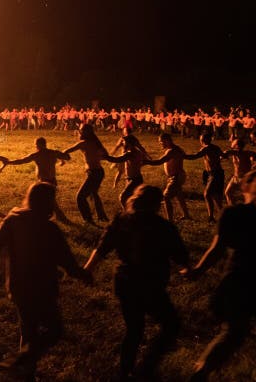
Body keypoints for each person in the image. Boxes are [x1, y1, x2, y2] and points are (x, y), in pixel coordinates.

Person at [0, 183, 92, 377]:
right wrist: (83, 274)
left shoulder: (13, 220)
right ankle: (21, 359)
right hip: (43, 289)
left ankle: (25, 371)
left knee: (28, 329)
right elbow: (67, 262)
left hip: (18, 287)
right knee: (54, 330)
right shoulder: (49, 228)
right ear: (48, 202)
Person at [84, 185, 189, 379]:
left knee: (134, 329)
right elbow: (181, 256)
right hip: (150, 284)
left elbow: (102, 247)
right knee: (171, 325)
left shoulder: (121, 220)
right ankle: (146, 367)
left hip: (124, 282)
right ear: (157, 204)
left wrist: (87, 270)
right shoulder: (163, 227)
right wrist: (188, 269)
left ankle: (125, 372)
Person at [184, 169, 256, 380]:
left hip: (238, 278)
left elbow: (217, 249)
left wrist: (197, 270)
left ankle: (203, 370)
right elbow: (217, 248)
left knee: (233, 333)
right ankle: (203, 370)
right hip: (243, 280)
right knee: (234, 332)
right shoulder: (234, 214)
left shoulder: (233, 214)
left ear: (243, 186)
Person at [1, 137, 71, 222]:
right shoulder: (53, 152)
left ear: (38, 145)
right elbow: (67, 157)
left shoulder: (37, 155)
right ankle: (54, 217)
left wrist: (9, 162)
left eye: (36, 145)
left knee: (48, 201)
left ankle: (61, 218)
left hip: (43, 181)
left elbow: (22, 161)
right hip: (52, 180)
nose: (35, 146)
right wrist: (61, 156)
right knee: (48, 201)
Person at [63, 124, 110, 224]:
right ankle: (102, 217)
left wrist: (64, 158)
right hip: (99, 171)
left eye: (80, 130)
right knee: (93, 193)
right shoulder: (96, 142)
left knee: (80, 197)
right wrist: (95, 157)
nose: (79, 131)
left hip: (94, 173)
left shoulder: (83, 143)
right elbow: (106, 155)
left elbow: (67, 151)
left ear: (85, 132)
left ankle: (88, 219)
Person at [143, 134, 191, 222]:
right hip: (175, 176)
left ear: (167, 140)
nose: (160, 143)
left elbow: (159, 161)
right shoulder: (175, 149)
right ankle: (186, 215)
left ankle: (170, 220)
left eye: (161, 142)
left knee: (166, 197)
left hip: (176, 177)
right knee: (179, 195)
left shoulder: (172, 151)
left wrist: (146, 162)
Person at [185, 133, 226, 222]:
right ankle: (217, 217)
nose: (200, 141)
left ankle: (214, 216)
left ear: (203, 140)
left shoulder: (206, 148)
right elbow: (223, 156)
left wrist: (183, 156)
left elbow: (195, 156)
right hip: (214, 173)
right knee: (215, 196)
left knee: (207, 194)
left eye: (201, 139)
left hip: (215, 174)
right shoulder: (216, 147)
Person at [104, 135, 147, 212]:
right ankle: (134, 213)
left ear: (129, 143)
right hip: (134, 178)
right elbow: (143, 161)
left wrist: (105, 157)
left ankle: (129, 214)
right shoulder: (137, 152)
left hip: (134, 179)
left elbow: (117, 159)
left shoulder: (130, 154)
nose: (122, 144)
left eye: (124, 142)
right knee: (132, 199)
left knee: (123, 197)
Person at [221, 138, 255, 205]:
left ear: (237, 145)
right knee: (228, 193)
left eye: (233, 142)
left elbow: (227, 152)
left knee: (248, 198)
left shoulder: (241, 152)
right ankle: (233, 208)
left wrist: (222, 156)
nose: (231, 143)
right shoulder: (245, 153)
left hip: (244, 178)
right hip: (235, 177)